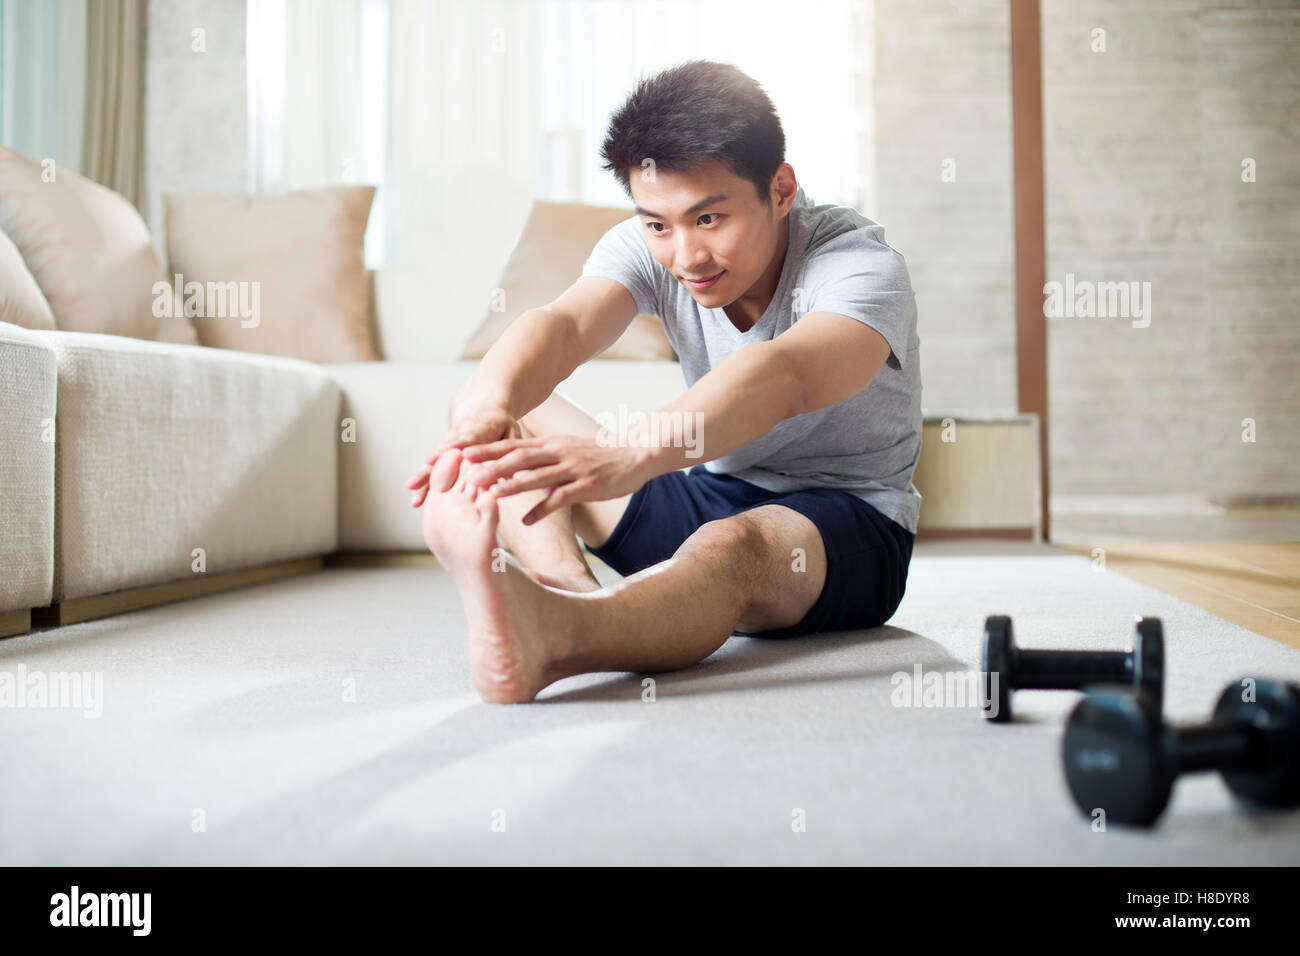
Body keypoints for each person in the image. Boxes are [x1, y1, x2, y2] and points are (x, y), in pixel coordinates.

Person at [407, 60, 922, 704]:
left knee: (732, 543)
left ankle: (568, 634)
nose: (685, 256)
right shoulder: (643, 245)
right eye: (658, 224)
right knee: (501, 409)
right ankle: (565, 592)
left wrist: (629, 453)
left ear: (781, 188)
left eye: (710, 219)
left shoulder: (860, 268)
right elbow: (564, 326)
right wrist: (483, 409)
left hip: (843, 528)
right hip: (706, 495)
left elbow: (782, 375)